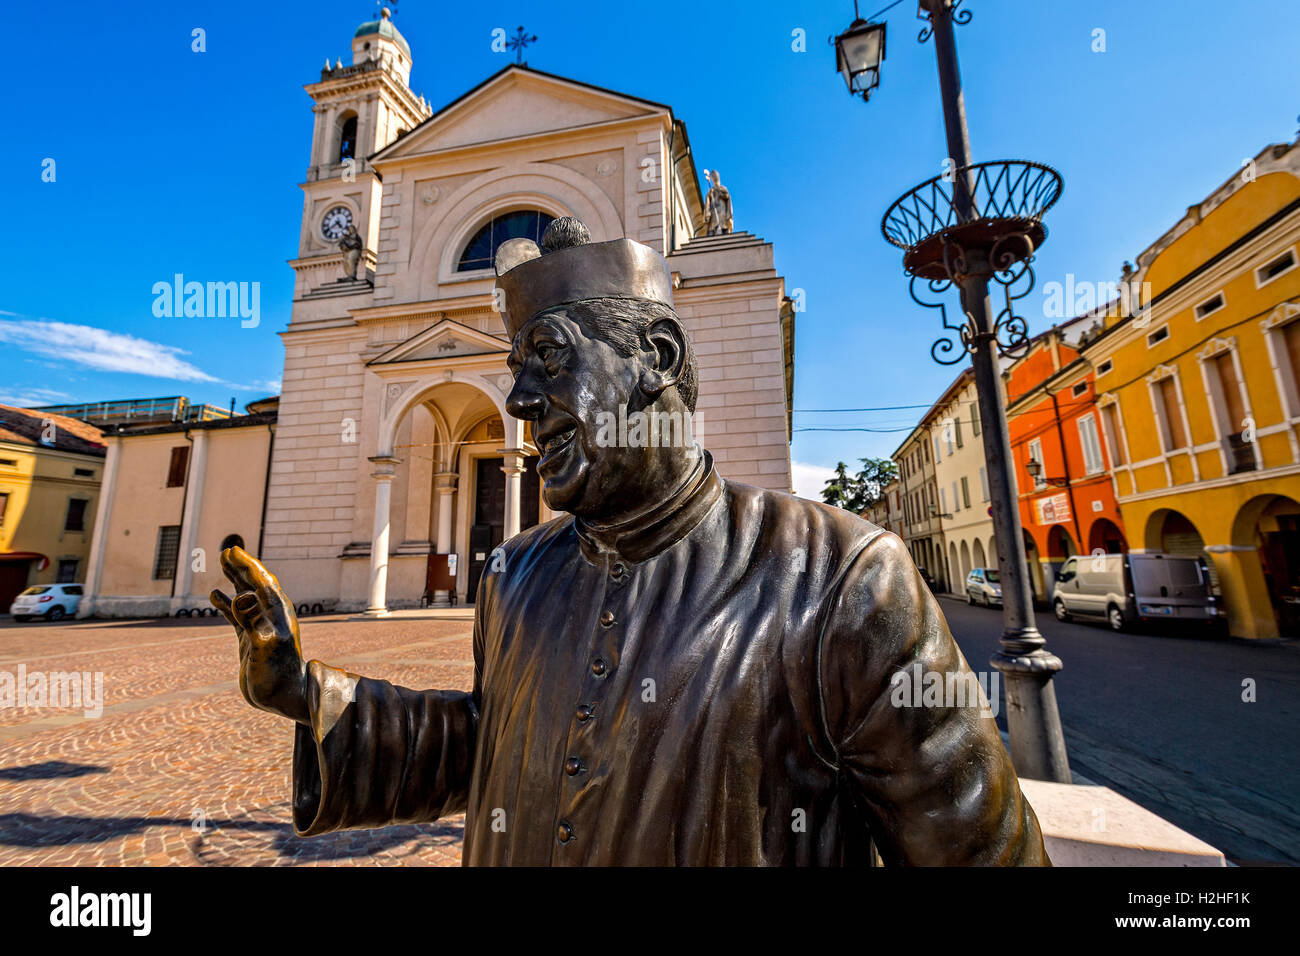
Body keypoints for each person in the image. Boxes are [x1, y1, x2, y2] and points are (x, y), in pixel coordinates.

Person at [213, 216, 1047, 866]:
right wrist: (305, 694)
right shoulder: (515, 571)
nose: (519, 402)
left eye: (547, 358)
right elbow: (488, 741)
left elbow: (976, 852)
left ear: (656, 355)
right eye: (514, 367)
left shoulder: (841, 578)